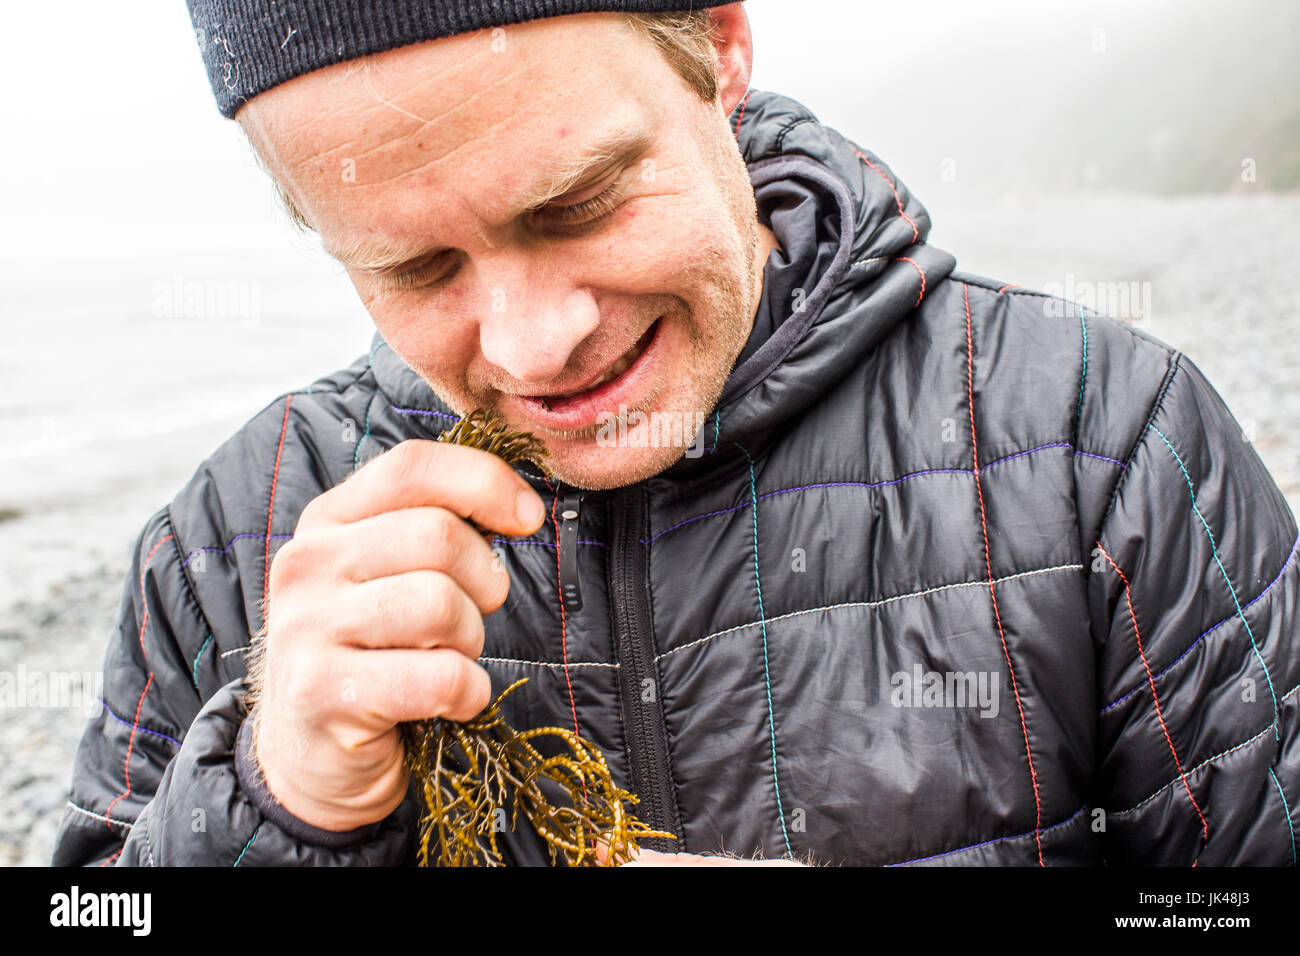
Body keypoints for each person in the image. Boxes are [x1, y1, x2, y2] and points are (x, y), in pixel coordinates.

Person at [53, 1, 1299, 867]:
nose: (535, 346)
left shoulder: (1103, 442)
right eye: (416, 264)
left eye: (578, 202)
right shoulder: (236, 542)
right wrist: (273, 804)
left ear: (718, 44)